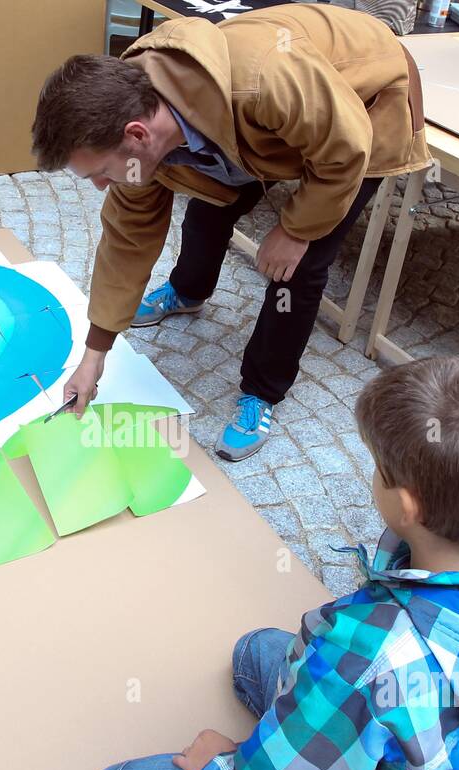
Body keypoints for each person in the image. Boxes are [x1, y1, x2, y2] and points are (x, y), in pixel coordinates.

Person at [85, 356, 459, 770]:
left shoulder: (365, 664)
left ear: (407, 507)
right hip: (411, 760)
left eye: (380, 469)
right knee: (255, 653)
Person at [30, 4, 430, 461]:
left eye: (100, 172)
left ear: (137, 134)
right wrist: (95, 355)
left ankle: (262, 391)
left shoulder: (265, 78)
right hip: (279, 124)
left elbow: (344, 150)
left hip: (366, 106)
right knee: (209, 209)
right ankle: (188, 291)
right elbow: (127, 241)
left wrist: (296, 229)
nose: (101, 186)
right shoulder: (138, 118)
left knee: (298, 267)